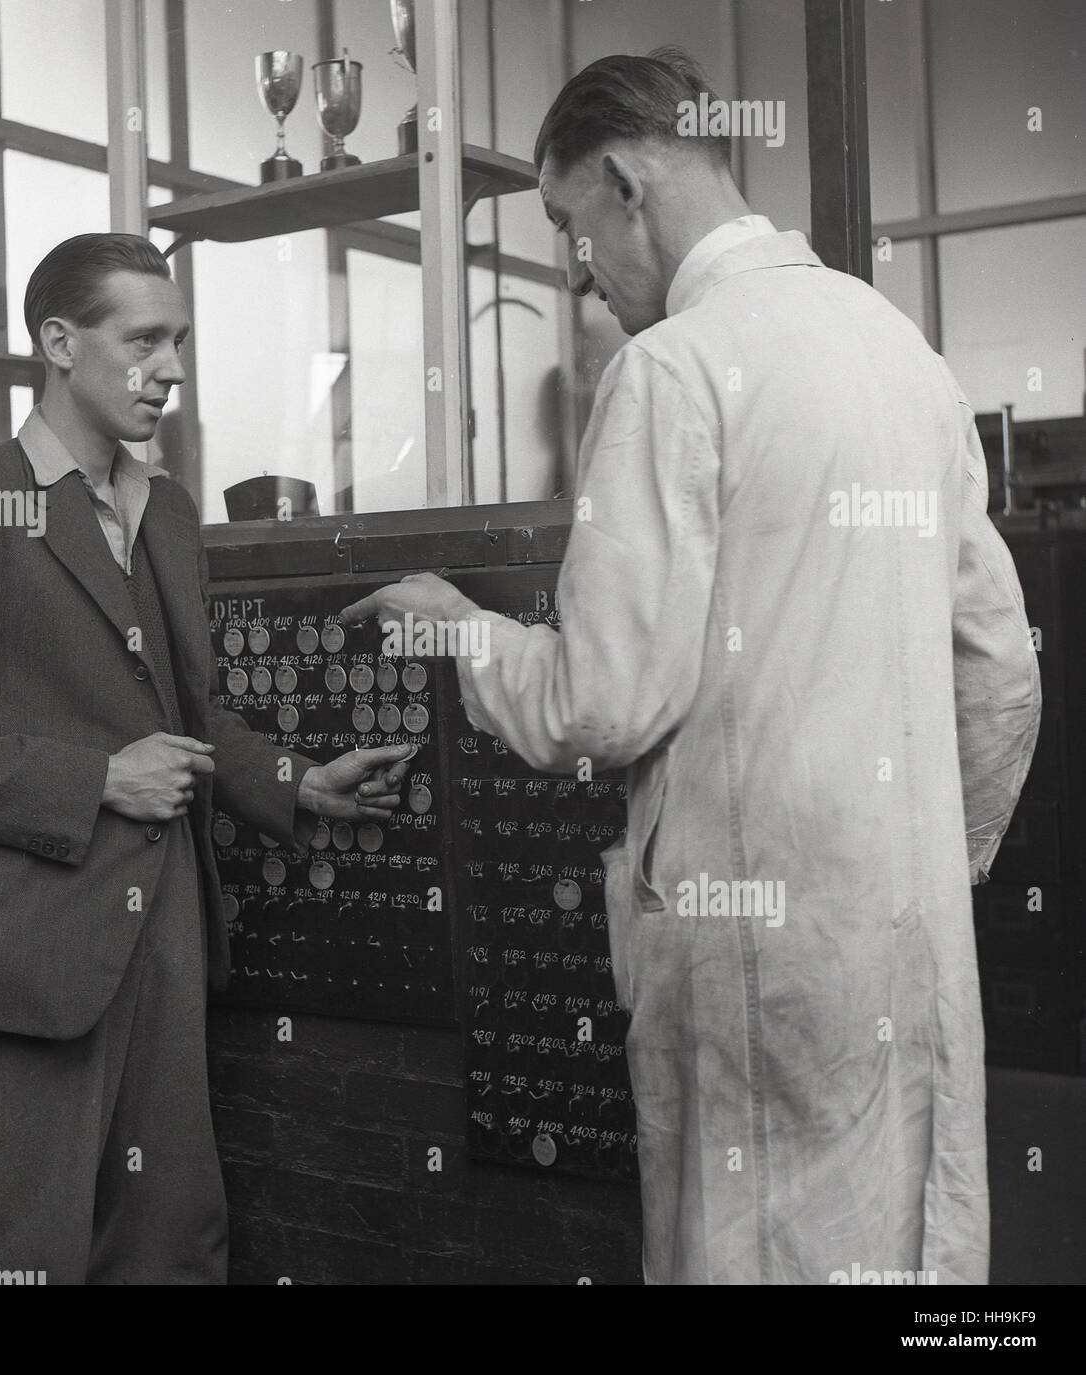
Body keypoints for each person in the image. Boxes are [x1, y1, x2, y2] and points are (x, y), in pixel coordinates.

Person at [343, 49, 1041, 1284]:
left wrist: (458, 625)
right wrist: (929, 859)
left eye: (566, 223)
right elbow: (999, 675)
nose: (573, 268)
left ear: (624, 181)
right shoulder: (901, 353)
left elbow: (600, 703)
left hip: (751, 960)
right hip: (901, 937)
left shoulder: (669, 371)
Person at [0, 232, 413, 1284]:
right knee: (21, 1251)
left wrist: (297, 784)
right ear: (60, 344)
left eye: (180, 341)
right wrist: (99, 779)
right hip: (23, 955)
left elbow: (187, 713)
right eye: (143, 339)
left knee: (170, 1246)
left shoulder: (168, 513)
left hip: (159, 935)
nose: (170, 368)